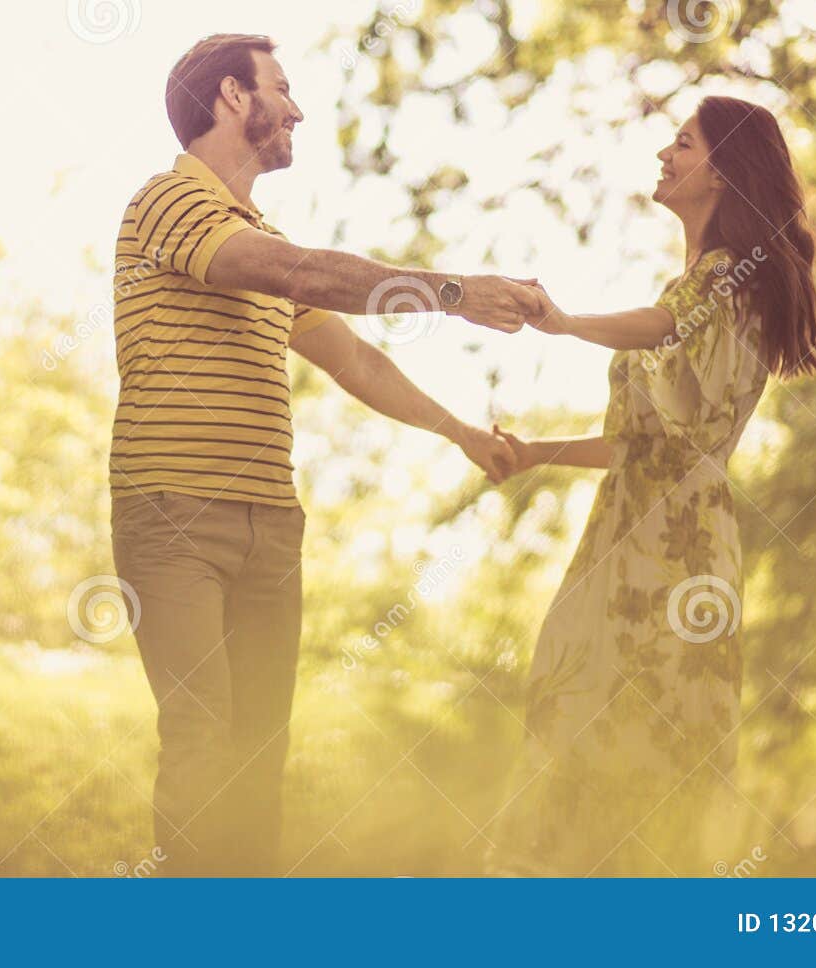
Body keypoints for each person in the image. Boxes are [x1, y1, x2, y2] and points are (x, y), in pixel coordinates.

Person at [109, 33, 541, 875]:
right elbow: (305, 275)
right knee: (202, 740)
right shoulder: (167, 202)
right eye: (284, 88)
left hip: (272, 527)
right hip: (174, 516)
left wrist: (462, 435)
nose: (298, 109)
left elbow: (356, 362)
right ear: (234, 97)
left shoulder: (260, 243)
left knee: (258, 759)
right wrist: (453, 294)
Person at [491, 95, 816, 874]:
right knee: (592, 721)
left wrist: (567, 322)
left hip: (673, 553)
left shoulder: (726, 280)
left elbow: (661, 325)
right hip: (631, 533)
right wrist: (537, 451)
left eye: (683, 143)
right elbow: (638, 447)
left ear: (723, 172)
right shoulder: (706, 285)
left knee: (641, 734)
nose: (663, 155)